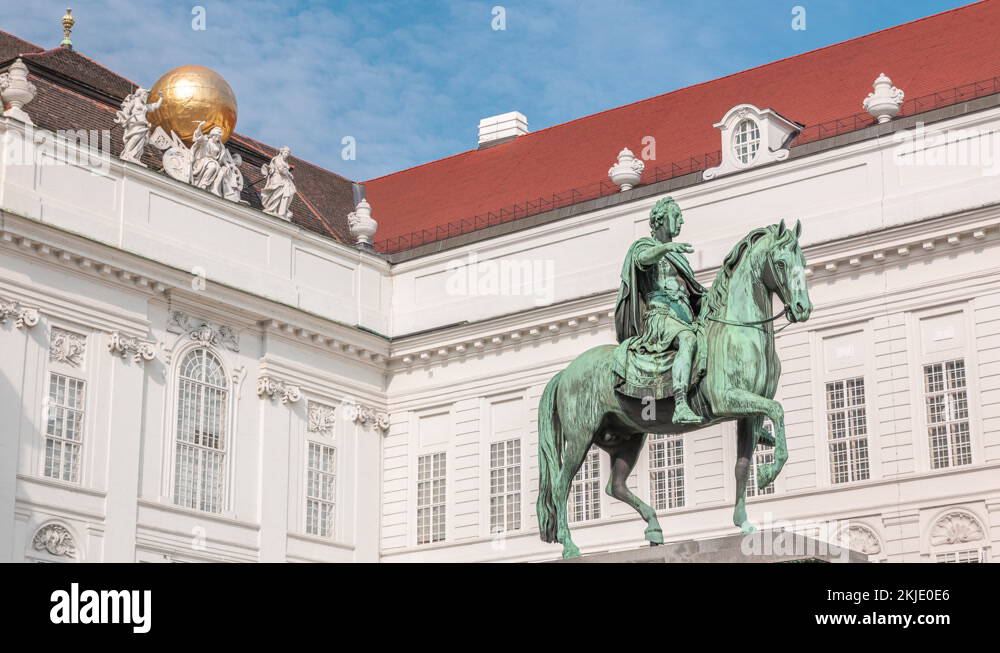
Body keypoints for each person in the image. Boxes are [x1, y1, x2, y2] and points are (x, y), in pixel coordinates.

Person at [613, 197, 707, 423]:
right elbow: (642, 260)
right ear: (660, 220)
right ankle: (681, 403)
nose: (681, 221)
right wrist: (665, 248)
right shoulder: (643, 246)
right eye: (677, 216)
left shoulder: (678, 257)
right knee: (687, 339)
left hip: (685, 315)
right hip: (660, 316)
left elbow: (693, 291)